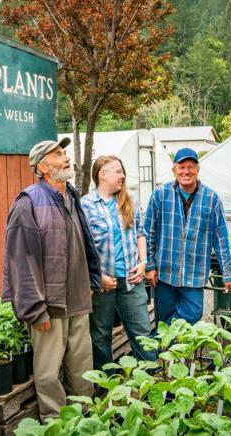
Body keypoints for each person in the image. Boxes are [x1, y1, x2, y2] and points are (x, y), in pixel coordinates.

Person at [2, 137, 101, 420]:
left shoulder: (71, 197)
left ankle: (85, 419)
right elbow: (20, 262)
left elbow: (83, 246)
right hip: (48, 307)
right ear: (43, 166)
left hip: (78, 300)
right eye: (58, 154)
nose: (66, 157)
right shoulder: (28, 202)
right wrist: (35, 309)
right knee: (48, 372)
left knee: (81, 367)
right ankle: (56, 422)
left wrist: (91, 283)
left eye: (65, 152)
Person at [81, 155, 157, 370]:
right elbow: (82, 247)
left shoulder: (129, 199)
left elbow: (140, 233)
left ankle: (150, 382)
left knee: (142, 333)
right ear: (102, 174)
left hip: (132, 281)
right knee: (100, 336)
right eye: (118, 171)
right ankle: (108, 386)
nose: (123, 175)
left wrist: (143, 263)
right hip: (104, 284)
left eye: (122, 171)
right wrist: (97, 278)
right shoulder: (86, 205)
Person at [144, 147, 231, 324]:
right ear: (174, 170)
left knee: (193, 313)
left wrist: (227, 274)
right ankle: (167, 349)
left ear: (197, 169)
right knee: (163, 317)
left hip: (194, 273)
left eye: (191, 167)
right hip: (165, 272)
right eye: (182, 167)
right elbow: (149, 233)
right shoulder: (160, 195)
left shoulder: (211, 198)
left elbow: (221, 238)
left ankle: (156, 340)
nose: (186, 171)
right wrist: (149, 265)